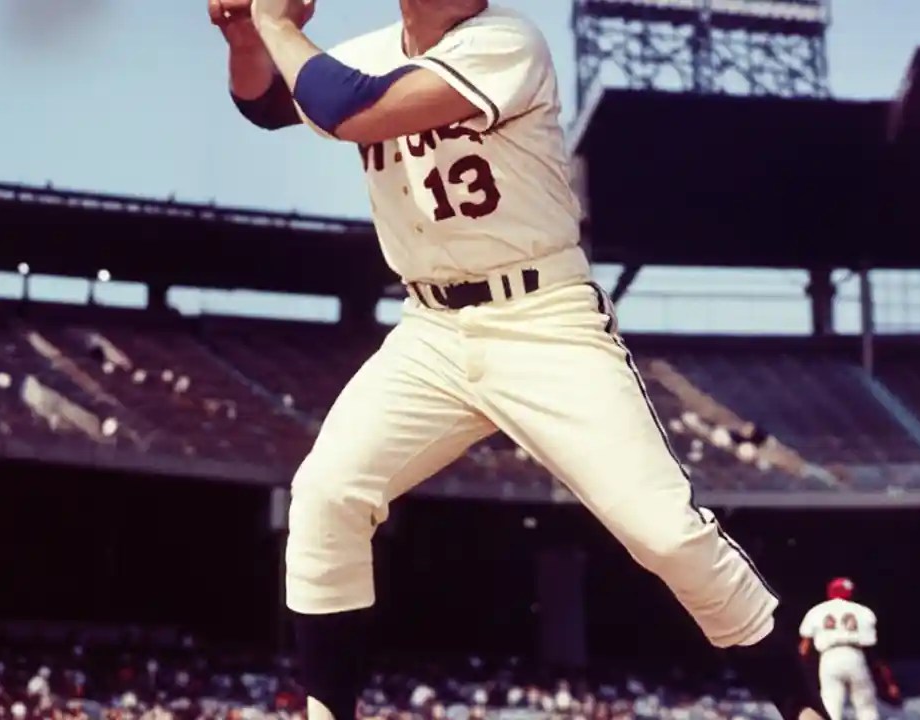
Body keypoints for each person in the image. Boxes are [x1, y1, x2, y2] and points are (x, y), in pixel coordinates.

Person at [205, 1, 828, 719]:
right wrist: (245, 35)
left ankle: (801, 705)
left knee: (666, 533)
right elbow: (266, 104)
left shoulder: (505, 42)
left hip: (542, 319)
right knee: (326, 494)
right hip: (429, 329)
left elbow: (348, 108)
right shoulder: (370, 50)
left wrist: (279, 25)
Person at [799, 578, 879, 720]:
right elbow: (871, 646)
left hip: (829, 656)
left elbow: (804, 647)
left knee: (831, 702)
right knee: (865, 704)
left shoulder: (818, 610)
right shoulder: (863, 611)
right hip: (854, 654)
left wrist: (802, 668)